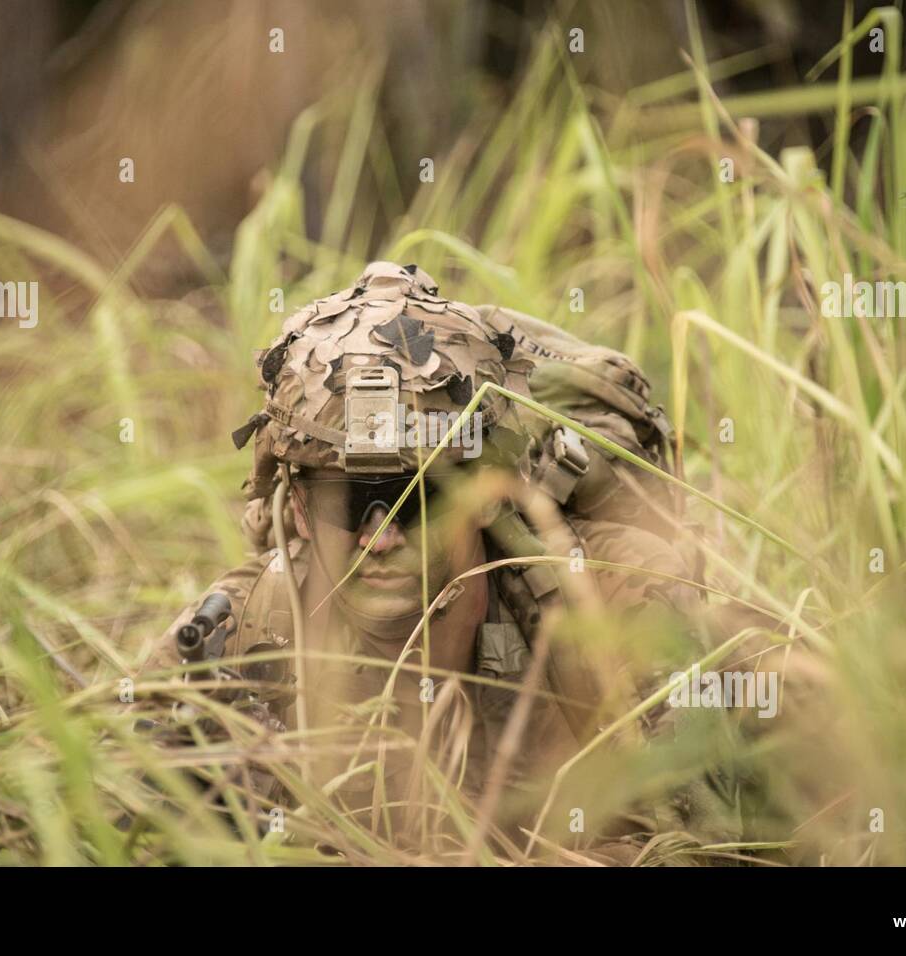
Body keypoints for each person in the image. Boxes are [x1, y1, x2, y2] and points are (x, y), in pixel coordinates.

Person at [134, 261, 743, 846]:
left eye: (412, 498)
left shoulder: (615, 603)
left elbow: (701, 846)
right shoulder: (231, 635)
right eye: (349, 501)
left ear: (485, 493)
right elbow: (116, 823)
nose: (380, 535)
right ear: (296, 509)